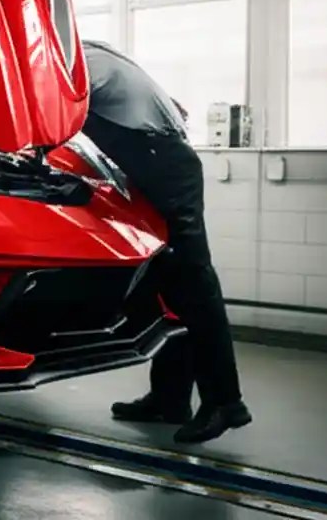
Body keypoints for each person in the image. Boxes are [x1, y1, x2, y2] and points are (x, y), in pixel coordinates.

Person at [80, 39, 251, 444]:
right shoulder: (98, 55)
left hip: (165, 171)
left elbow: (51, 121)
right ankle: (169, 398)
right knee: (160, 288)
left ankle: (225, 402)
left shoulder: (79, 63)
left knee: (194, 288)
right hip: (155, 169)